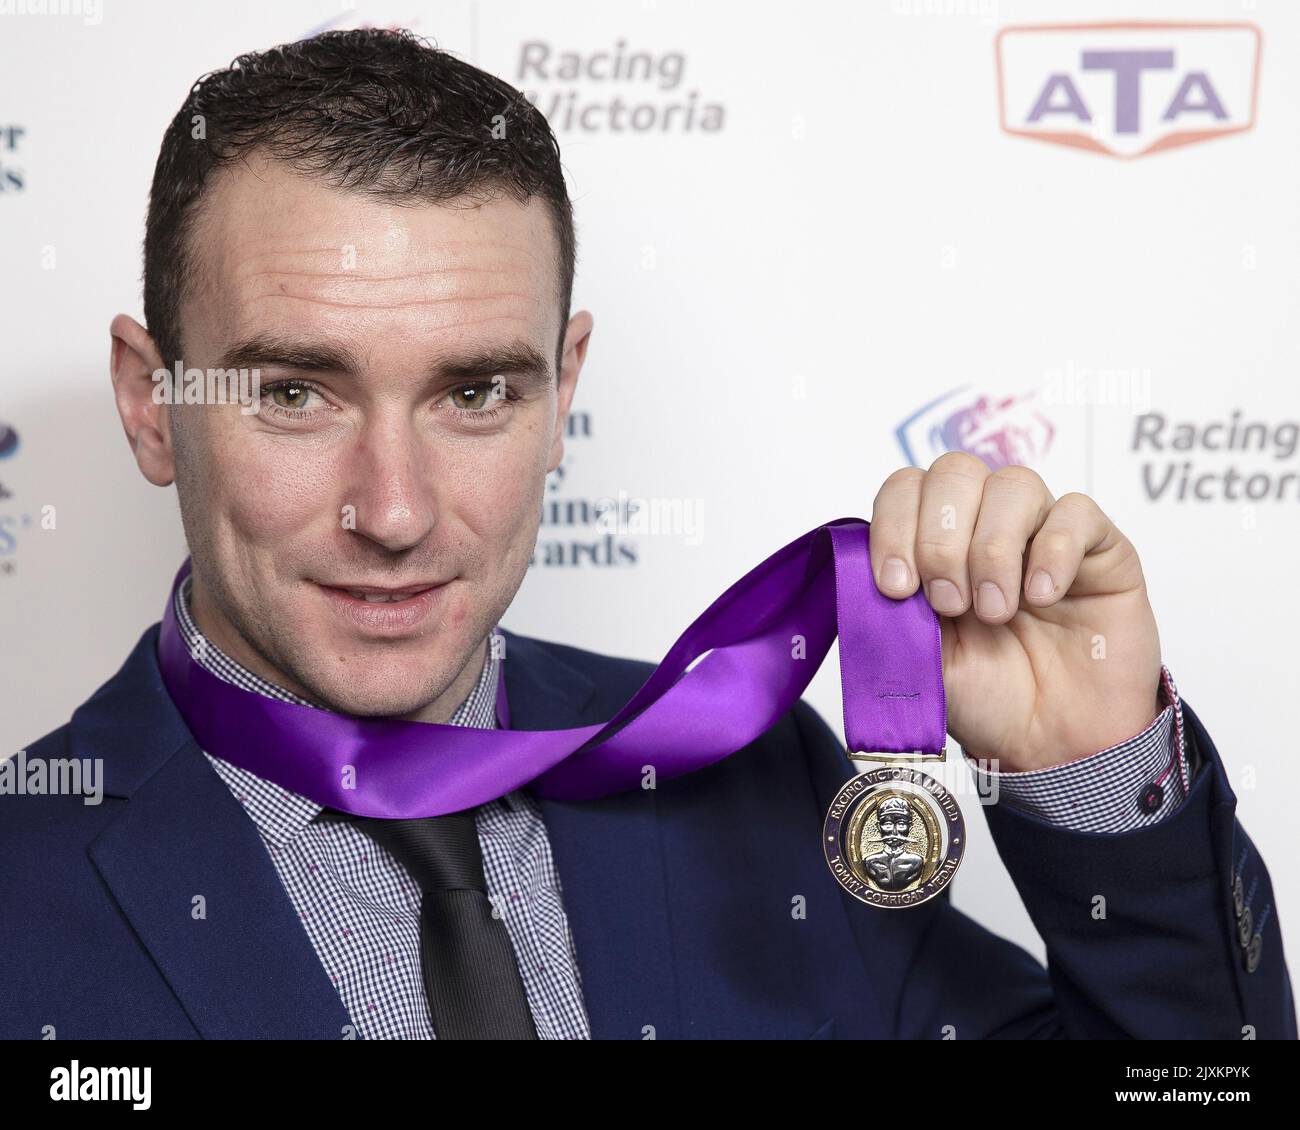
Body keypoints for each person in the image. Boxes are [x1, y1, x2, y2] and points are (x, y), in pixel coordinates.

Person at [1, 28, 1292, 1040]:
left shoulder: (759, 784)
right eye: (295, 392)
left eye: (474, 392)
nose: (392, 511)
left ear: (563, 391)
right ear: (152, 402)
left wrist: (1097, 776)